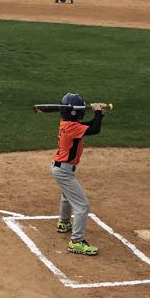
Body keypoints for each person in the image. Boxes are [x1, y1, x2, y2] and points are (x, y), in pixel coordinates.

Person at [48, 92, 109, 255]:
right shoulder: (72, 127)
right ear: (75, 112)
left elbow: (89, 127)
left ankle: (63, 222)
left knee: (67, 195)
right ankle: (77, 241)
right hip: (64, 171)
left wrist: (100, 114)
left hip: (60, 168)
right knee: (82, 206)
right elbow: (94, 129)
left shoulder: (66, 124)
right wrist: (97, 112)